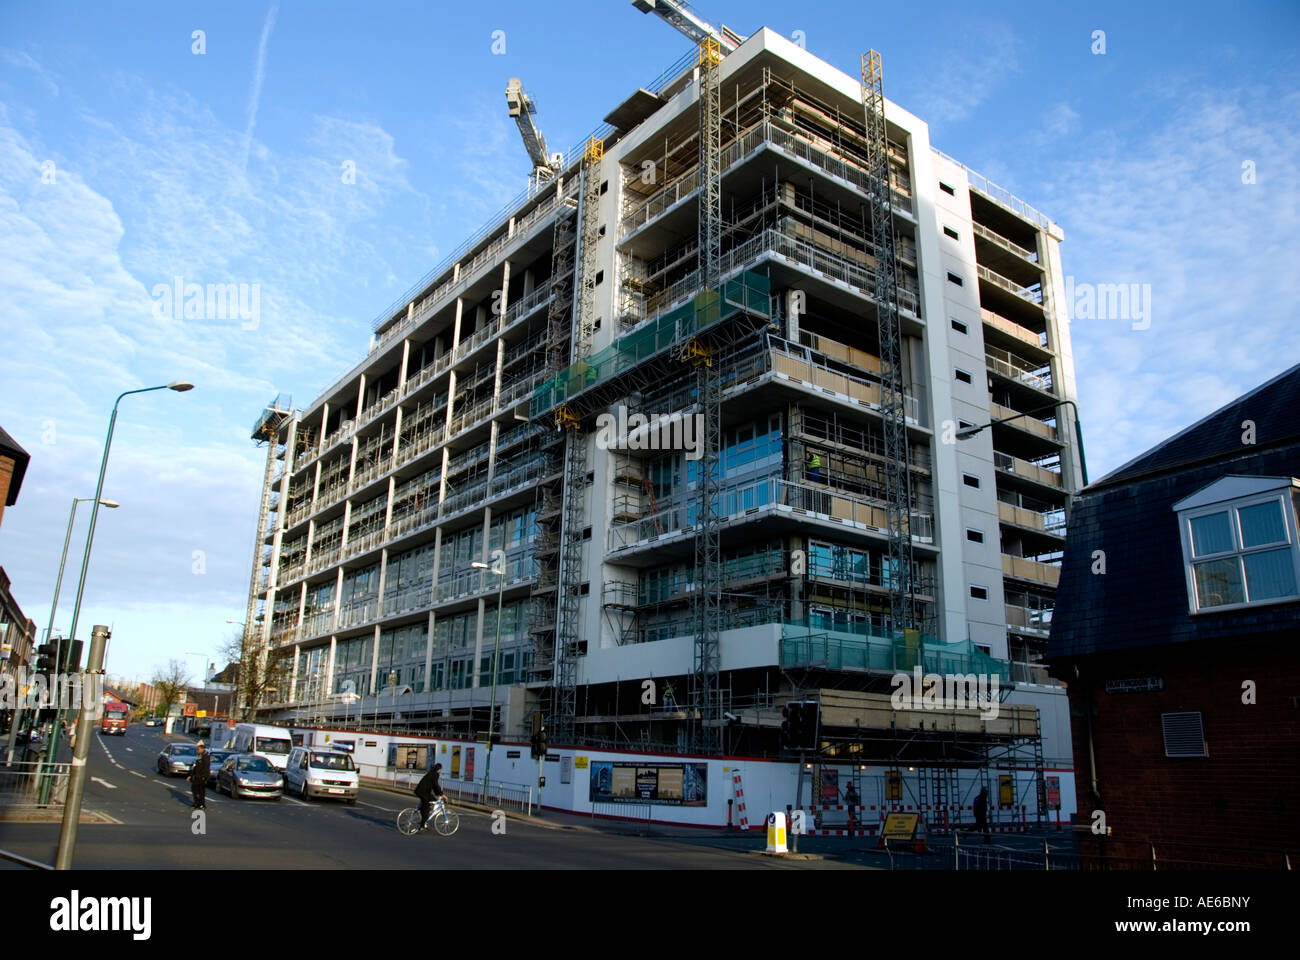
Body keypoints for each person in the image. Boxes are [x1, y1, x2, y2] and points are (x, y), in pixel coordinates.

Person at [414, 762, 444, 830]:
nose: (440, 771)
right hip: (423, 792)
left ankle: (423, 818)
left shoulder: (432, 773)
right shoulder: (435, 774)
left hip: (422, 791)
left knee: (431, 801)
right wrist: (442, 794)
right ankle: (422, 826)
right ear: (439, 769)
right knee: (426, 809)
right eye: (440, 769)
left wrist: (439, 793)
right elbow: (436, 785)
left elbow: (434, 786)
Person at [187, 742, 211, 810]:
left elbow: (206, 767)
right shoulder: (199, 755)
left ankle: (201, 804)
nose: (197, 751)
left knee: (200, 790)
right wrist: (191, 775)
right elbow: (195, 766)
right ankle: (197, 803)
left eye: (198, 749)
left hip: (202, 776)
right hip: (197, 776)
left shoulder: (206, 756)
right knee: (195, 789)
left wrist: (204, 777)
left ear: (202, 749)